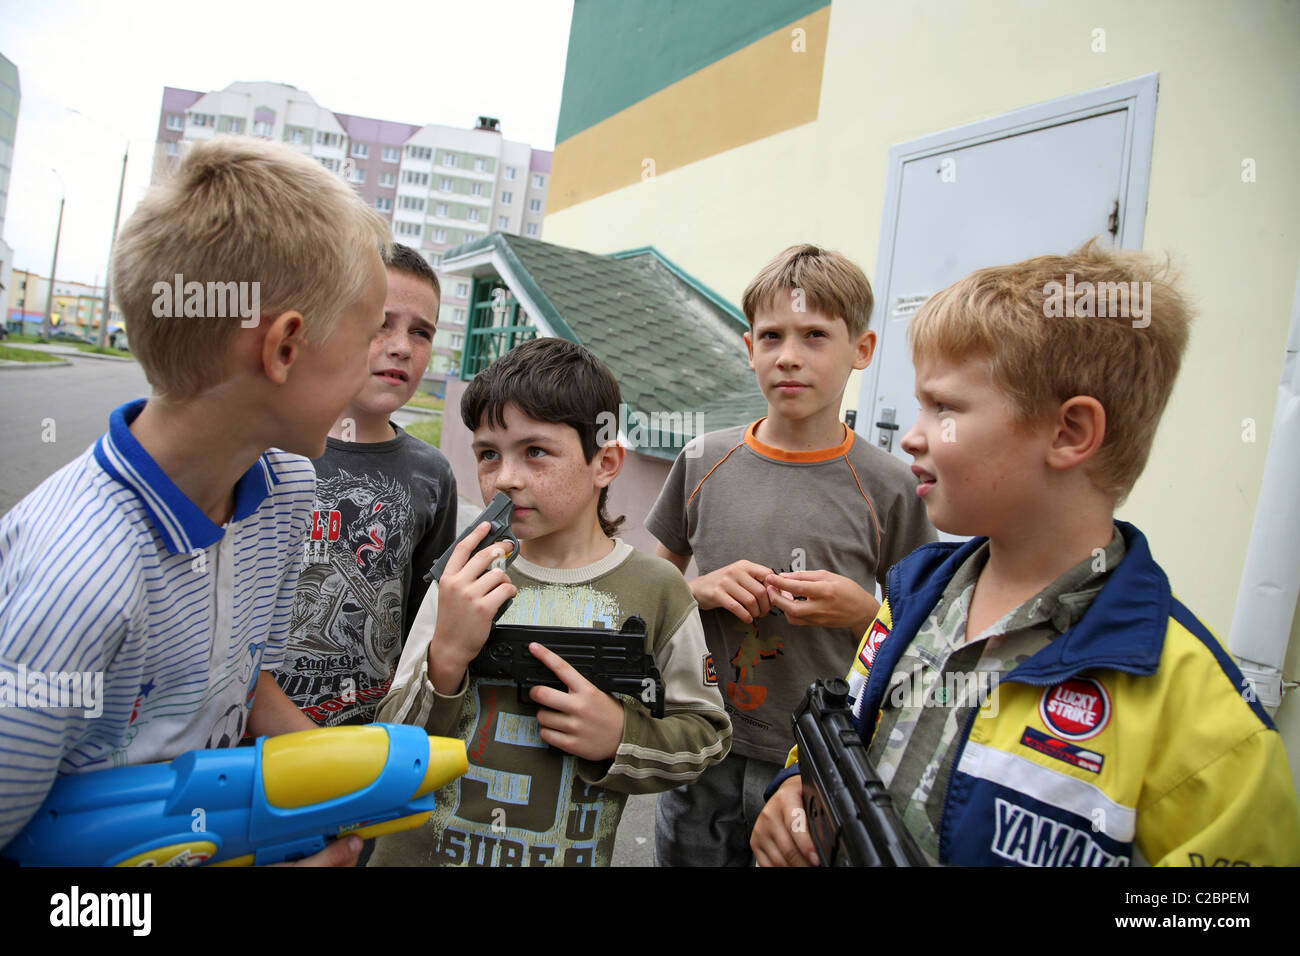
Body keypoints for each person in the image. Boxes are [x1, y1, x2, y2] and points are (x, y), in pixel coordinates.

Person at [751, 240, 1300, 867]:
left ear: (1069, 433)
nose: (912, 434)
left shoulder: (1201, 715)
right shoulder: (911, 596)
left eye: (944, 407)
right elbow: (841, 724)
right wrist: (793, 789)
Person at [0, 136, 391, 865]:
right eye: (369, 336)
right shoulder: (77, 583)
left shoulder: (283, 487)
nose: (379, 362)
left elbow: (243, 681)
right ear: (284, 348)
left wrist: (342, 776)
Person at [368, 337, 731, 867]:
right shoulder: (463, 575)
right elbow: (392, 745)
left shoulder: (658, 589)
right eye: (488, 454)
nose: (506, 478)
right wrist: (445, 659)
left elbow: (706, 737)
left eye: (535, 451)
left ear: (605, 462)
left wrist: (620, 736)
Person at [647, 244, 935, 866]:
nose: (789, 357)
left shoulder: (891, 487)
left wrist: (866, 613)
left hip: (819, 757)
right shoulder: (703, 460)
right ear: (748, 346)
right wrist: (698, 591)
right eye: (771, 335)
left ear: (861, 349)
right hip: (701, 738)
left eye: (815, 335)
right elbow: (646, 587)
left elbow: (926, 633)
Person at [272, 242, 457, 727]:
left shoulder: (432, 475)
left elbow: (422, 621)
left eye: (421, 332)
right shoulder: (268, 449)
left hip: (370, 749)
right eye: (381, 323)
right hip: (253, 748)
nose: (401, 346)